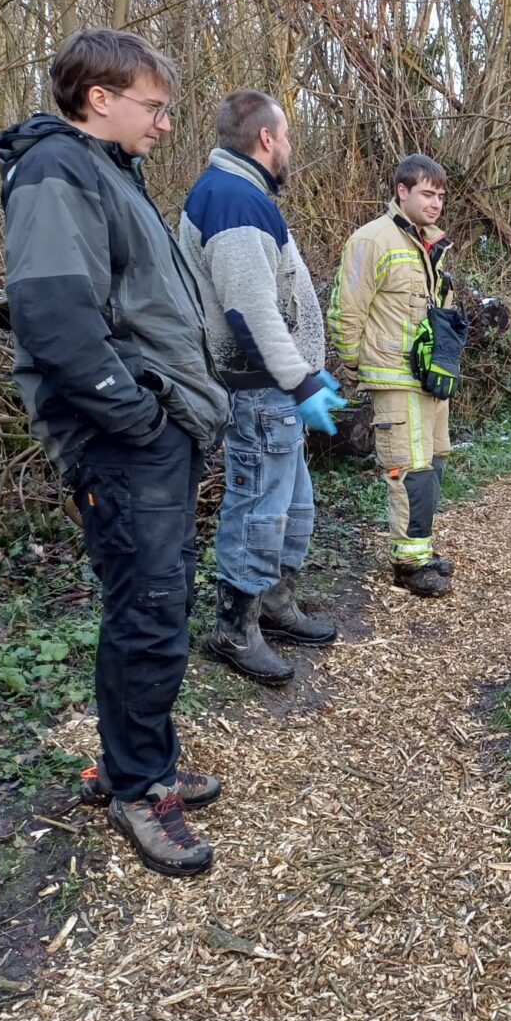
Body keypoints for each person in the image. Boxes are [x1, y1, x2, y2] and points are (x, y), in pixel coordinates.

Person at [0, 28, 230, 878]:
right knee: (150, 614)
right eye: (153, 107)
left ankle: (140, 762)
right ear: (99, 99)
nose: (164, 124)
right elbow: (56, 322)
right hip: (125, 443)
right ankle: (140, 789)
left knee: (150, 608)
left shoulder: (106, 173)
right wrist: (141, 419)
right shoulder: (57, 173)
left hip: (148, 438)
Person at [178, 91, 345, 685]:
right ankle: (233, 629)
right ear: (266, 139)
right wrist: (299, 379)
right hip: (258, 393)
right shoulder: (231, 200)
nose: (291, 146)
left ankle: (274, 604)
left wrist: (306, 375)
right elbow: (248, 311)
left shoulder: (242, 194)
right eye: (289, 135)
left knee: (292, 508)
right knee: (257, 510)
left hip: (278, 394)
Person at [329, 154, 468, 597]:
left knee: (433, 464)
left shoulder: (432, 243)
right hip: (392, 375)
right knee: (407, 471)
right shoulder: (371, 240)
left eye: (441, 195)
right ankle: (409, 564)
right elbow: (346, 309)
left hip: (431, 377)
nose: (436, 203)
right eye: (428, 193)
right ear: (401, 191)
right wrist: (354, 364)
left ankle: (420, 548)